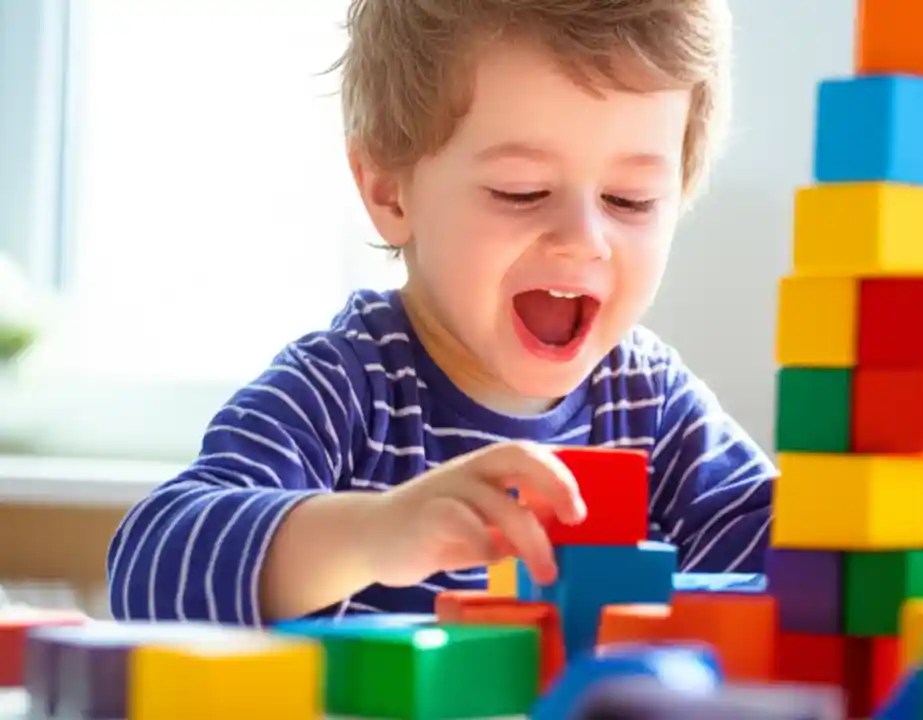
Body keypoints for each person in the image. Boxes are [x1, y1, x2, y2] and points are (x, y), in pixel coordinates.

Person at [105, 0, 775, 627]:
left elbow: (802, 565)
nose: (584, 238)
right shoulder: (346, 386)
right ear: (391, 192)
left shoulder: (651, 406)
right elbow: (151, 563)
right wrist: (377, 533)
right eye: (523, 191)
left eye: (630, 200)